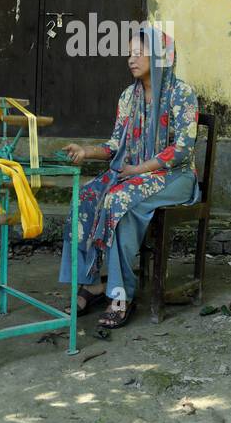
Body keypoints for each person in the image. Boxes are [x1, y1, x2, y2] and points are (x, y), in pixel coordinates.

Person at [58, 23, 200, 328]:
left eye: (139, 53)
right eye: (129, 54)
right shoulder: (128, 97)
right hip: (135, 177)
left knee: (119, 200)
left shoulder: (182, 94)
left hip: (175, 176)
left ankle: (121, 293)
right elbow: (114, 145)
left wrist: (138, 169)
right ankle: (93, 282)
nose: (131, 59)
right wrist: (86, 152)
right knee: (86, 197)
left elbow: (183, 150)